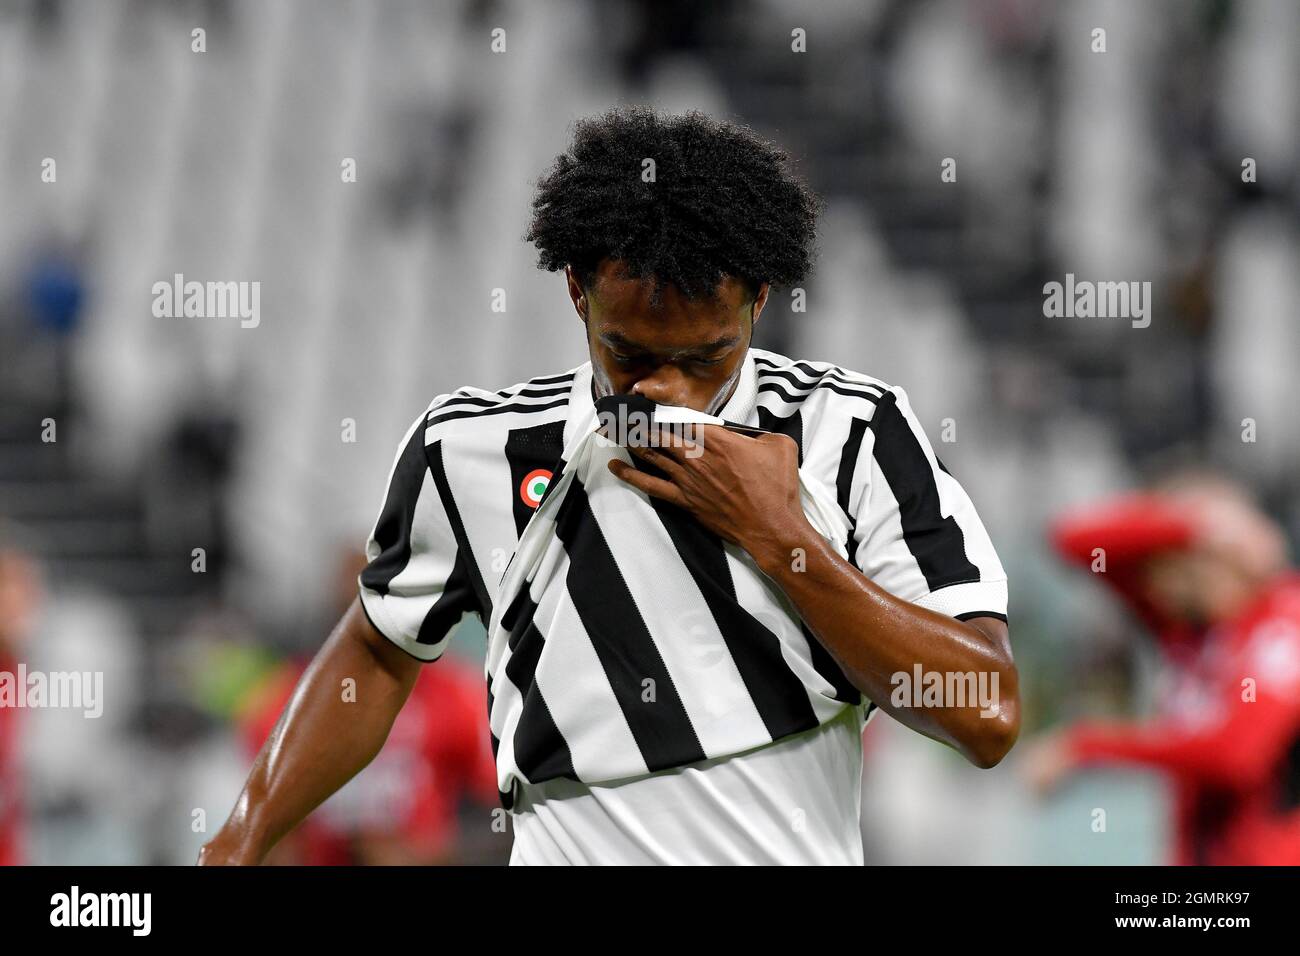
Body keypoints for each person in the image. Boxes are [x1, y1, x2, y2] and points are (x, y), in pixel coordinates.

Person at [201, 107, 1017, 866]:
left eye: (705, 359)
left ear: (759, 300)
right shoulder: (471, 450)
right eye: (628, 353)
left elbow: (985, 713)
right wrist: (235, 842)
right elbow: (379, 648)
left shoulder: (854, 432)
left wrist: (785, 539)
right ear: (576, 292)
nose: (664, 391)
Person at [1025, 473, 1300, 865]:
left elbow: (1237, 755)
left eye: (1170, 567)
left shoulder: (1286, 616)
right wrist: (1188, 523)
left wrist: (1087, 747)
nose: (1155, 587)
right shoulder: (1185, 632)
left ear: (1215, 559)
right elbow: (1070, 538)